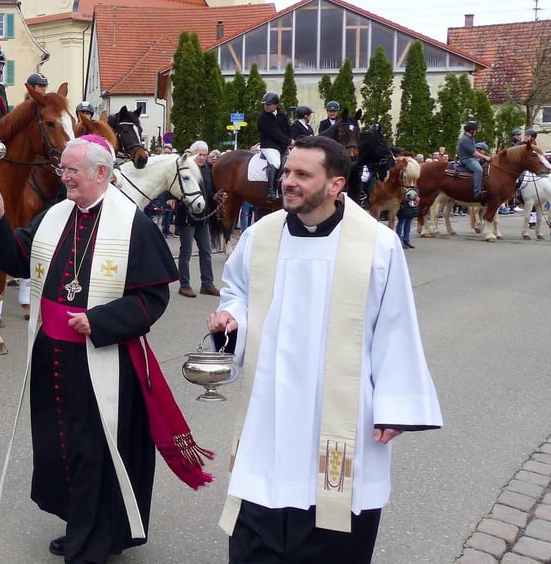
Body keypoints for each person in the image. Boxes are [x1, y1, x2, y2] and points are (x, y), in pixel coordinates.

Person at [206, 135, 441, 563]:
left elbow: (397, 327)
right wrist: (232, 319)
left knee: (331, 527)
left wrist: (395, 406)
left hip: (342, 411)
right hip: (270, 404)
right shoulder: (260, 236)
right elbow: (236, 290)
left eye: (302, 174)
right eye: (286, 172)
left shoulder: (377, 244)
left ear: (335, 184)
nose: (287, 182)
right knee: (258, 517)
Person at [0, 135, 211, 564]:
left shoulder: (132, 223)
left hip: (102, 359)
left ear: (101, 173)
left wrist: (100, 321)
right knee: (62, 445)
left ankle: (96, 539)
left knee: (96, 450)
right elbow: (19, 258)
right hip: (52, 355)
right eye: (62, 169)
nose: (64, 177)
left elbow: (153, 297)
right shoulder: (56, 215)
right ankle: (80, 526)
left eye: (72, 170)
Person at [176, 141, 219, 298]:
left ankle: (207, 284)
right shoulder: (185, 168)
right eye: (199, 154)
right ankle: (184, 285)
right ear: (193, 154)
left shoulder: (208, 170)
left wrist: (216, 196)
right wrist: (170, 198)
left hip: (203, 218)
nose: (202, 157)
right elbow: (174, 185)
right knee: (186, 252)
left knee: (206, 252)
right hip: (187, 217)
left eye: (204, 155)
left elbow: (208, 193)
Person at [257, 92, 292, 201]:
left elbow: (288, 130)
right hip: (269, 146)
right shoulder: (262, 118)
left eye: (269, 104)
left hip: (282, 146)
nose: (266, 107)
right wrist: (289, 141)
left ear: (276, 105)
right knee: (276, 162)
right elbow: (274, 133)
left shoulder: (282, 116)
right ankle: (271, 191)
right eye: (265, 104)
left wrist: (292, 140)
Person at [457, 121, 491, 201]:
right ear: (471, 130)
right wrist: (486, 157)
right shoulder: (465, 139)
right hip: (467, 159)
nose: (476, 132)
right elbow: (474, 153)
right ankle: (477, 192)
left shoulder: (470, 138)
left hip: (472, 158)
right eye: (475, 130)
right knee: (479, 170)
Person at [396, 185, 419, 249]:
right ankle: (398, 240)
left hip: (411, 204)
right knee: (401, 222)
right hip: (403, 202)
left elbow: (416, 187)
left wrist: (417, 196)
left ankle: (406, 239)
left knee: (408, 222)